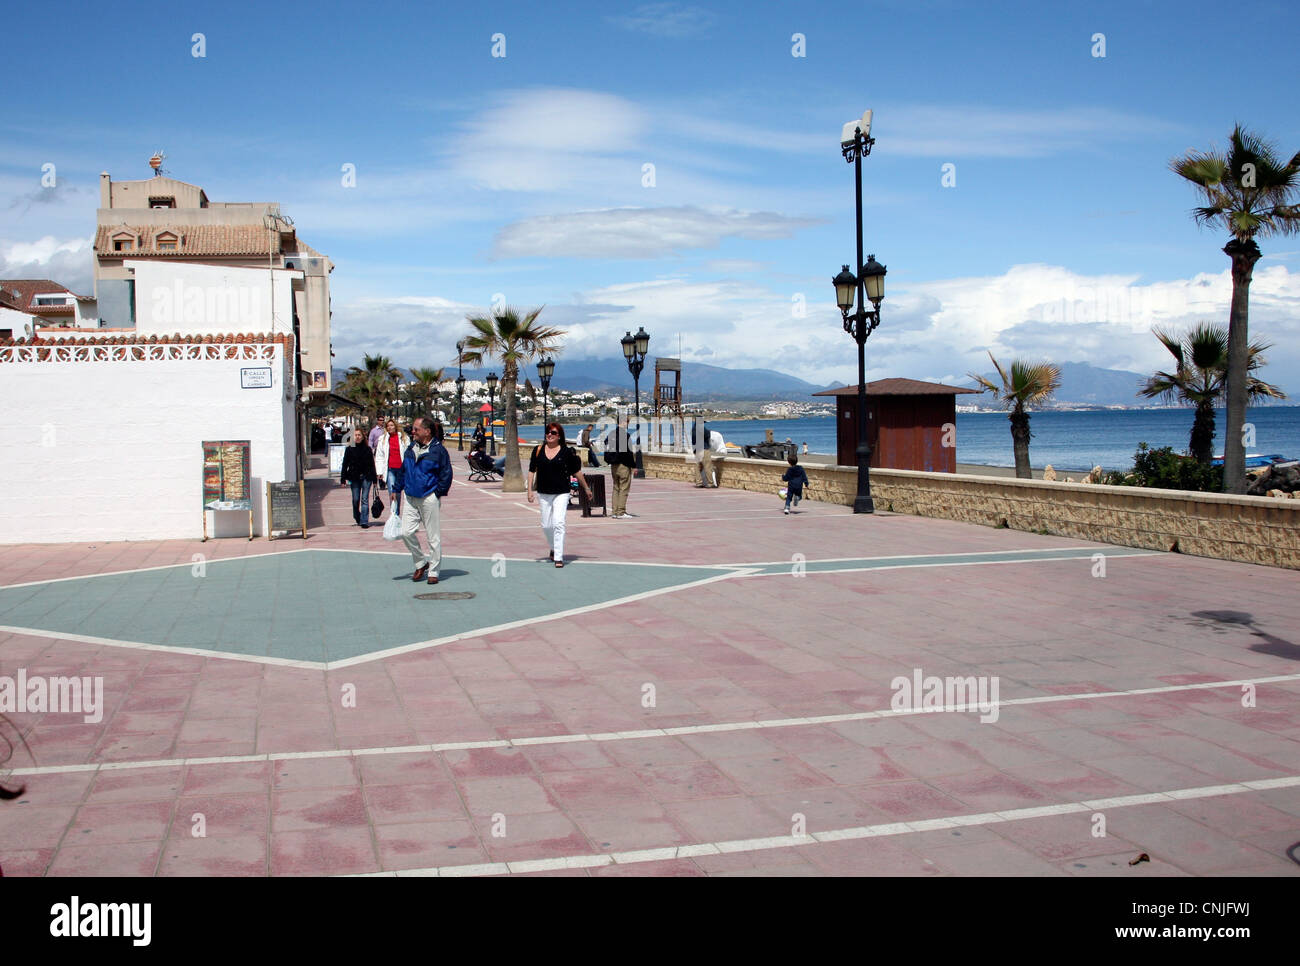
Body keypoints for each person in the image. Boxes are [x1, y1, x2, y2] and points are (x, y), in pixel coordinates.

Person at [527, 422, 592, 568]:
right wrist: (529, 490)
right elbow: (532, 471)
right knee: (546, 525)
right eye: (548, 432)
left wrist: (586, 488)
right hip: (543, 492)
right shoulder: (538, 450)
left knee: (558, 523)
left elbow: (577, 471)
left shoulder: (566, 452)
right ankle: (553, 547)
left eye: (554, 433)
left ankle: (558, 556)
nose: (550, 434)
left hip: (562, 492)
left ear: (559, 436)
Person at [398, 416, 453, 584]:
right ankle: (421, 563)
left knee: (433, 536)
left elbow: (446, 473)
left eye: (416, 429)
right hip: (410, 496)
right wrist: (397, 489)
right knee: (406, 532)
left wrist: (437, 493)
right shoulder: (411, 448)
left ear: (427, 432)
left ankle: (434, 571)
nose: (412, 432)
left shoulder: (439, 451)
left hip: (429, 496)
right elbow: (404, 470)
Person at [340, 429, 378, 528]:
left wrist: (374, 479)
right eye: (355, 435)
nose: (357, 437)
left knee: (364, 499)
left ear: (363, 436)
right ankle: (357, 516)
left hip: (367, 476)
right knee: (355, 499)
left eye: (359, 435)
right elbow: (345, 464)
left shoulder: (367, 449)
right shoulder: (349, 449)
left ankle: (364, 521)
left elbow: (372, 464)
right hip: (354, 477)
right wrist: (343, 479)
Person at [373, 418, 410, 514]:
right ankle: (394, 515)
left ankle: (405, 516)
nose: (390, 427)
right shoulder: (383, 439)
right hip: (390, 470)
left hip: (402, 470)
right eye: (388, 426)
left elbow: (409, 453)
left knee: (403, 494)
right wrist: (379, 472)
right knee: (392, 493)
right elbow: (379, 456)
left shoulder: (404, 438)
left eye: (392, 425)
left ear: (396, 426)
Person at [605, 416, 636, 519]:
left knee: (616, 488)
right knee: (624, 488)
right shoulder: (624, 435)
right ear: (623, 422)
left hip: (613, 465)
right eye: (627, 422)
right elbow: (627, 453)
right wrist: (633, 466)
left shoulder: (611, 434)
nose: (628, 424)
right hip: (623, 465)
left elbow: (606, 445)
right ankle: (621, 512)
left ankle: (614, 511)